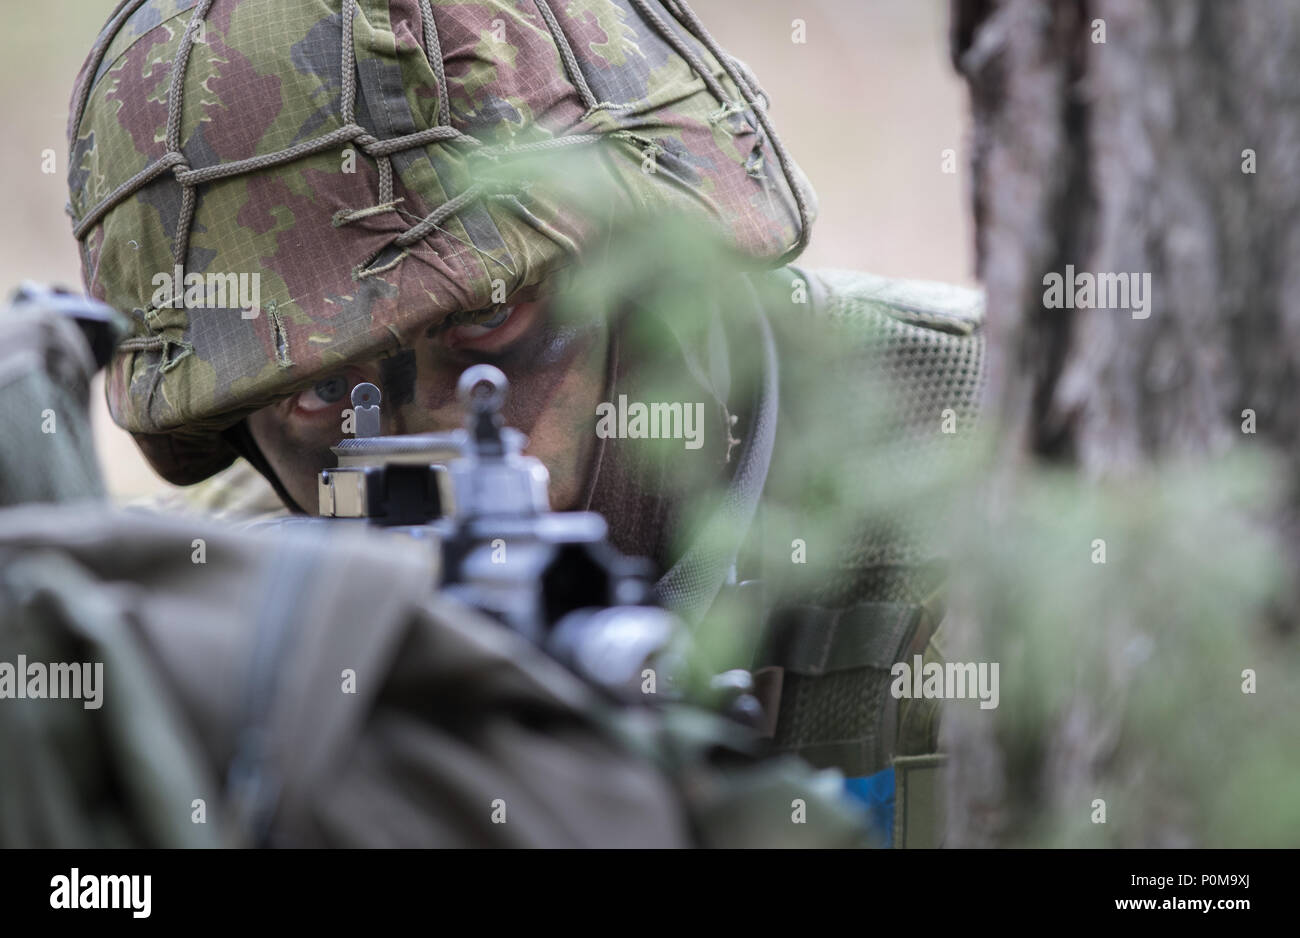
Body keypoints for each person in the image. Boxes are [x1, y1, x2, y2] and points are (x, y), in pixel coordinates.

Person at [67, 0, 985, 846]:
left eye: (484, 322)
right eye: (317, 395)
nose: (431, 442)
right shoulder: (202, 627)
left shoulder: (1007, 506)